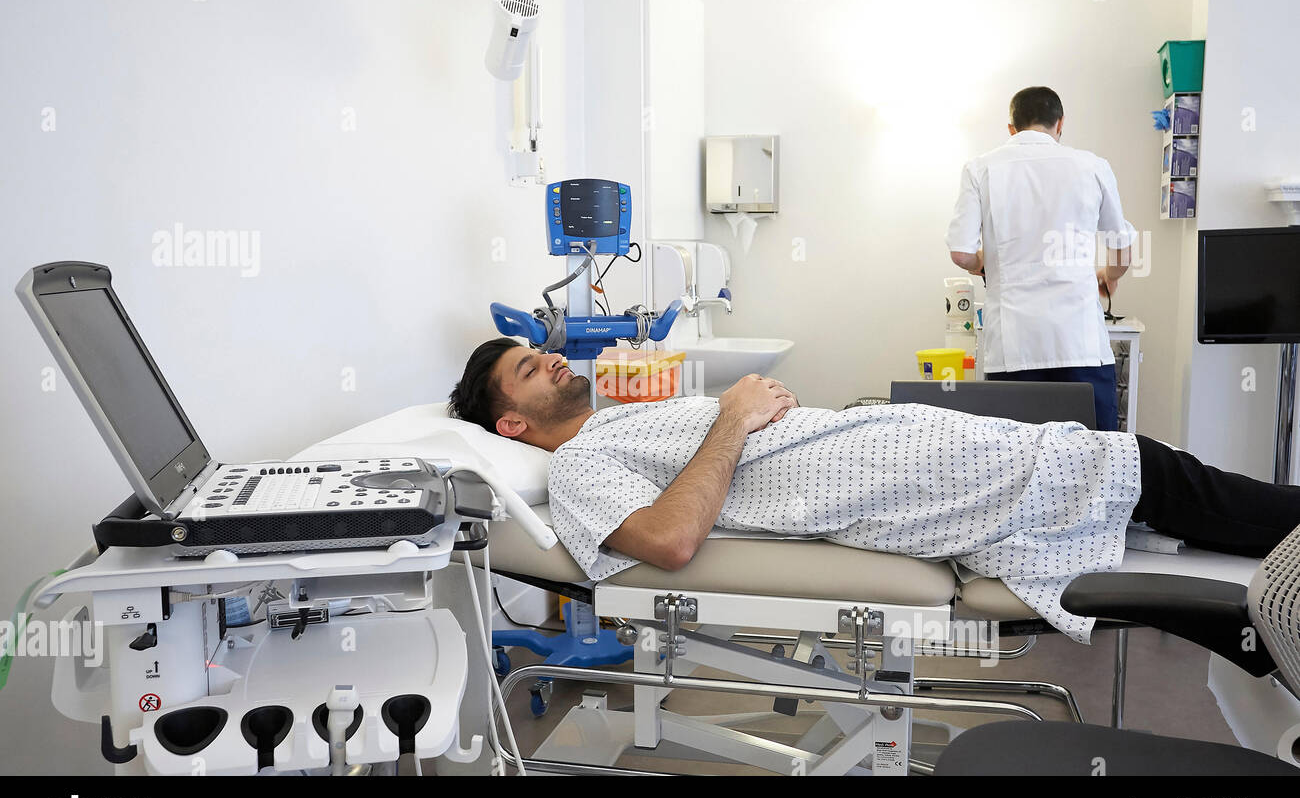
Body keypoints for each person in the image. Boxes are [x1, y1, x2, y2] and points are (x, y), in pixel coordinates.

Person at [449, 339, 1300, 643]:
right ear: (513, 424)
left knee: (1173, 499)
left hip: (916, 450)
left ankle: (1265, 607)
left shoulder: (614, 426)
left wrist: (744, 414)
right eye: (529, 367)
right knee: (1162, 478)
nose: (552, 357)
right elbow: (671, 541)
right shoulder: (576, 467)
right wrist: (735, 415)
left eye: (539, 348)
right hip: (928, 480)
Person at [946, 86, 1134, 431]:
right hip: (1081, 346)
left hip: (1013, 350)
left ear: (1011, 129)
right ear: (1060, 124)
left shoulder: (980, 168)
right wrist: (1108, 275)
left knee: (1016, 464)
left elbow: (960, 253)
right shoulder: (1092, 166)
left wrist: (981, 263)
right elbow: (1122, 251)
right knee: (1095, 460)